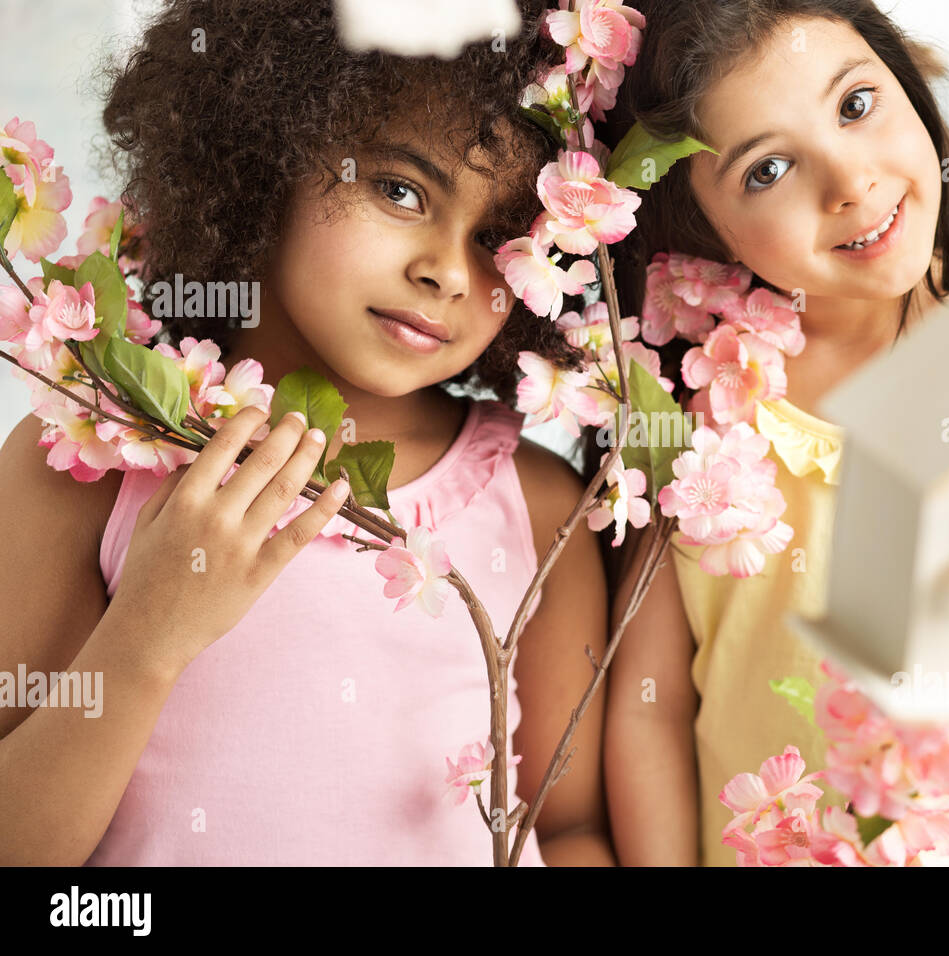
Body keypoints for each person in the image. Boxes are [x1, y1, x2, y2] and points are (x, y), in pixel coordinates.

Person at [0, 0, 612, 866]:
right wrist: (148, 635)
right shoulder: (85, 454)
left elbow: (572, 823)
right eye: (400, 191)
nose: (444, 270)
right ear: (262, 156)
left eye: (499, 239)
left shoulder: (540, 506)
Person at [591, 0, 949, 866]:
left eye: (856, 106)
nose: (850, 182)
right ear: (702, 227)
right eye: (767, 169)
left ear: (904, 81)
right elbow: (648, 705)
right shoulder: (688, 409)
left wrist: (941, 848)